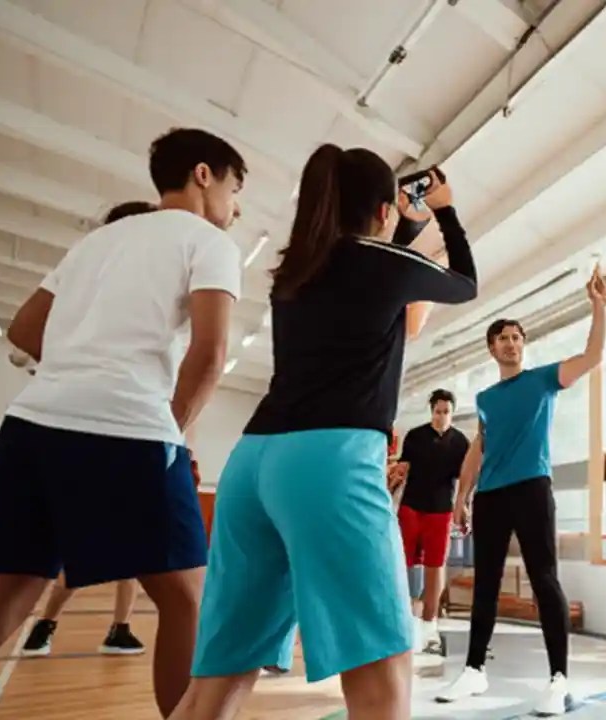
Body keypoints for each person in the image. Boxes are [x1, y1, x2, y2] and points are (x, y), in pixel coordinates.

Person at [0, 128, 245, 720]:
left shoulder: (99, 241)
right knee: (190, 602)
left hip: (32, 428)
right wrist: (169, 429)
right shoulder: (209, 241)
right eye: (234, 186)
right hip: (130, 432)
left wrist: (79, 359)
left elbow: (23, 330)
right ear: (204, 174)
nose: (236, 205)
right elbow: (211, 352)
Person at [169, 148, 476, 720]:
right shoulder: (379, 263)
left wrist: (406, 221)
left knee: (217, 682)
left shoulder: (298, 270)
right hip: (330, 464)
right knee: (384, 681)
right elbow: (464, 281)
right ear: (382, 210)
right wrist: (445, 211)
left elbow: (378, 285)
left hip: (252, 466)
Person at [437, 268, 606, 717]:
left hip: (532, 488)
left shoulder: (543, 379)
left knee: (544, 580)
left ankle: (559, 680)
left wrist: (598, 306)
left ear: (522, 345)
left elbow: (593, 355)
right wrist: (461, 498)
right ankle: (474, 669)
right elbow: (479, 447)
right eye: (503, 338)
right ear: (491, 349)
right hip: (491, 495)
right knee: (486, 586)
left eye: (516, 337)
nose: (511, 343)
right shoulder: (487, 398)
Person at [18, 199, 159, 660]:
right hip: (108, 434)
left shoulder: (111, 283)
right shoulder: (96, 277)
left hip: (126, 432)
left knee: (129, 558)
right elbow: (23, 335)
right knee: (82, 549)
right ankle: (46, 623)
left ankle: (112, 627)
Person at [391, 388, 470, 652]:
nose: (441, 417)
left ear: (452, 413)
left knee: (436, 565)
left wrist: (464, 505)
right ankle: (400, 619)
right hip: (411, 508)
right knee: (402, 563)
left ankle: (429, 623)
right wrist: (389, 488)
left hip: (441, 511)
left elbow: (466, 479)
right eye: (437, 412)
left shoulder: (460, 443)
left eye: (446, 412)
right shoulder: (415, 436)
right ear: (431, 412)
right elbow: (402, 469)